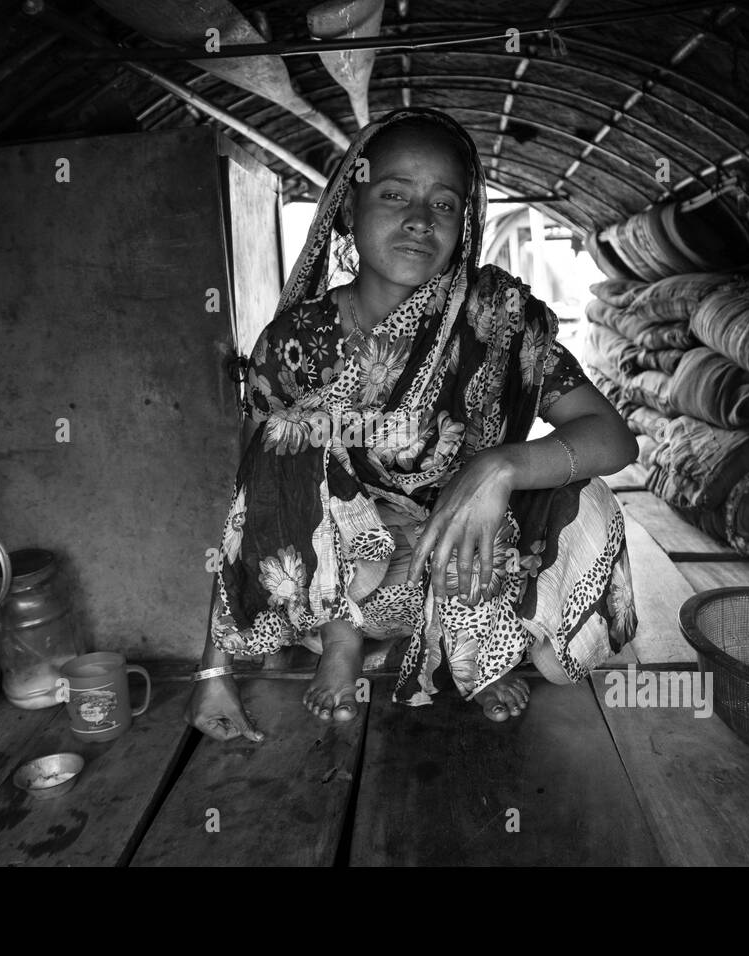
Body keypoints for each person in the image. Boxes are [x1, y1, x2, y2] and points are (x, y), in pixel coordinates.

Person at [185, 107, 638, 741]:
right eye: (394, 194)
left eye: (445, 204)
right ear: (349, 207)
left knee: (583, 493)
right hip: (351, 583)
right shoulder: (296, 340)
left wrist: (498, 467)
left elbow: (613, 438)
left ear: (464, 224)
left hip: (470, 568)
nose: (420, 220)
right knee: (282, 441)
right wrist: (214, 671)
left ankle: (480, 649)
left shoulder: (499, 322)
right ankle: (341, 642)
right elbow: (254, 496)